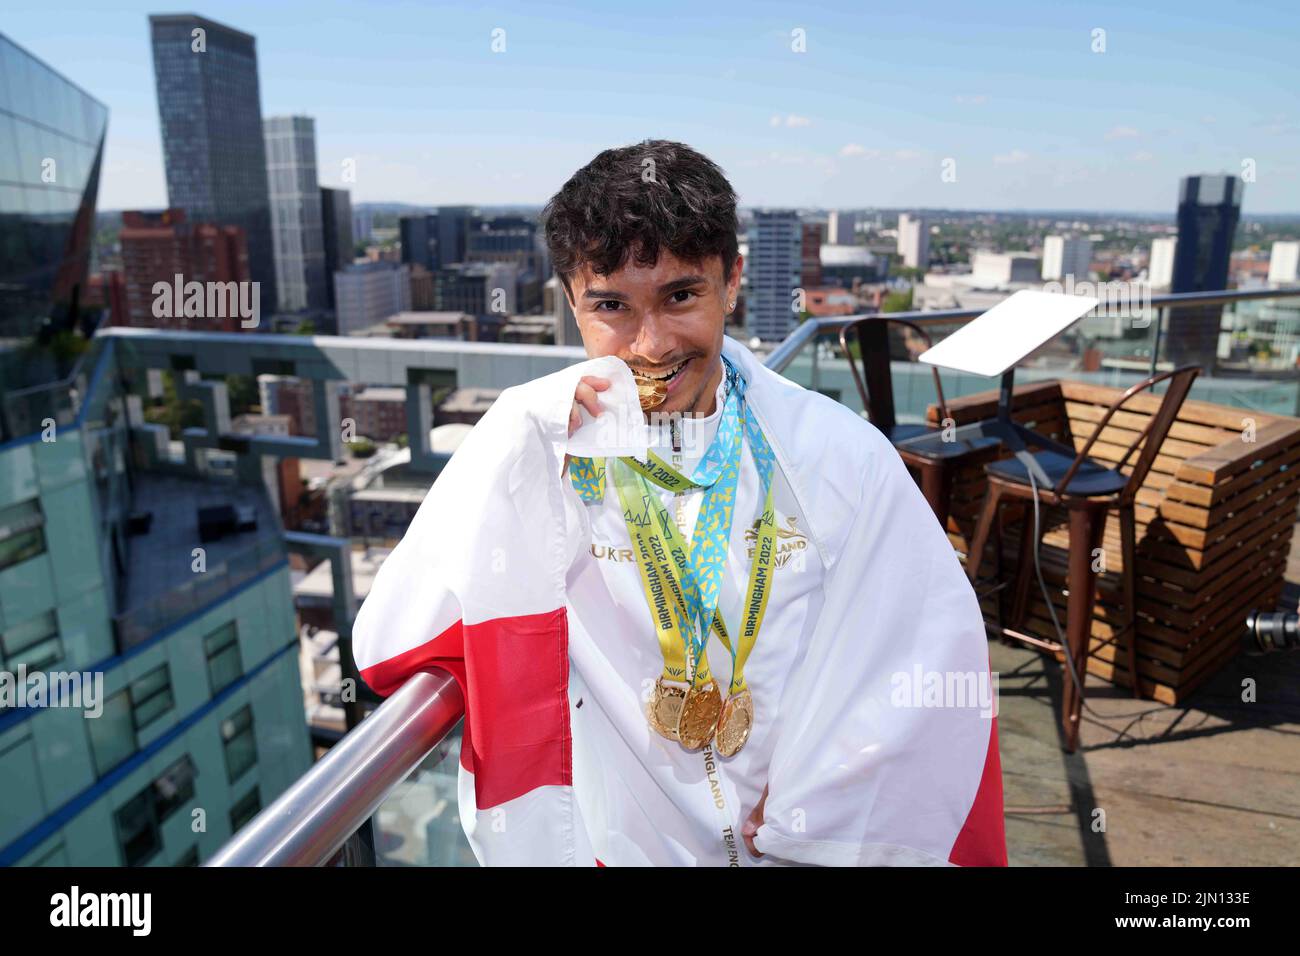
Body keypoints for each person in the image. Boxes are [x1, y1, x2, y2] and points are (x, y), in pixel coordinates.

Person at [351, 140, 1006, 866]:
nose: (651, 344)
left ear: (733, 282)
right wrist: (505, 448)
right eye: (611, 306)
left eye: (681, 295)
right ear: (571, 305)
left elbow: (919, 653)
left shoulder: (837, 456)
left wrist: (817, 812)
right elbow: (392, 646)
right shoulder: (540, 464)